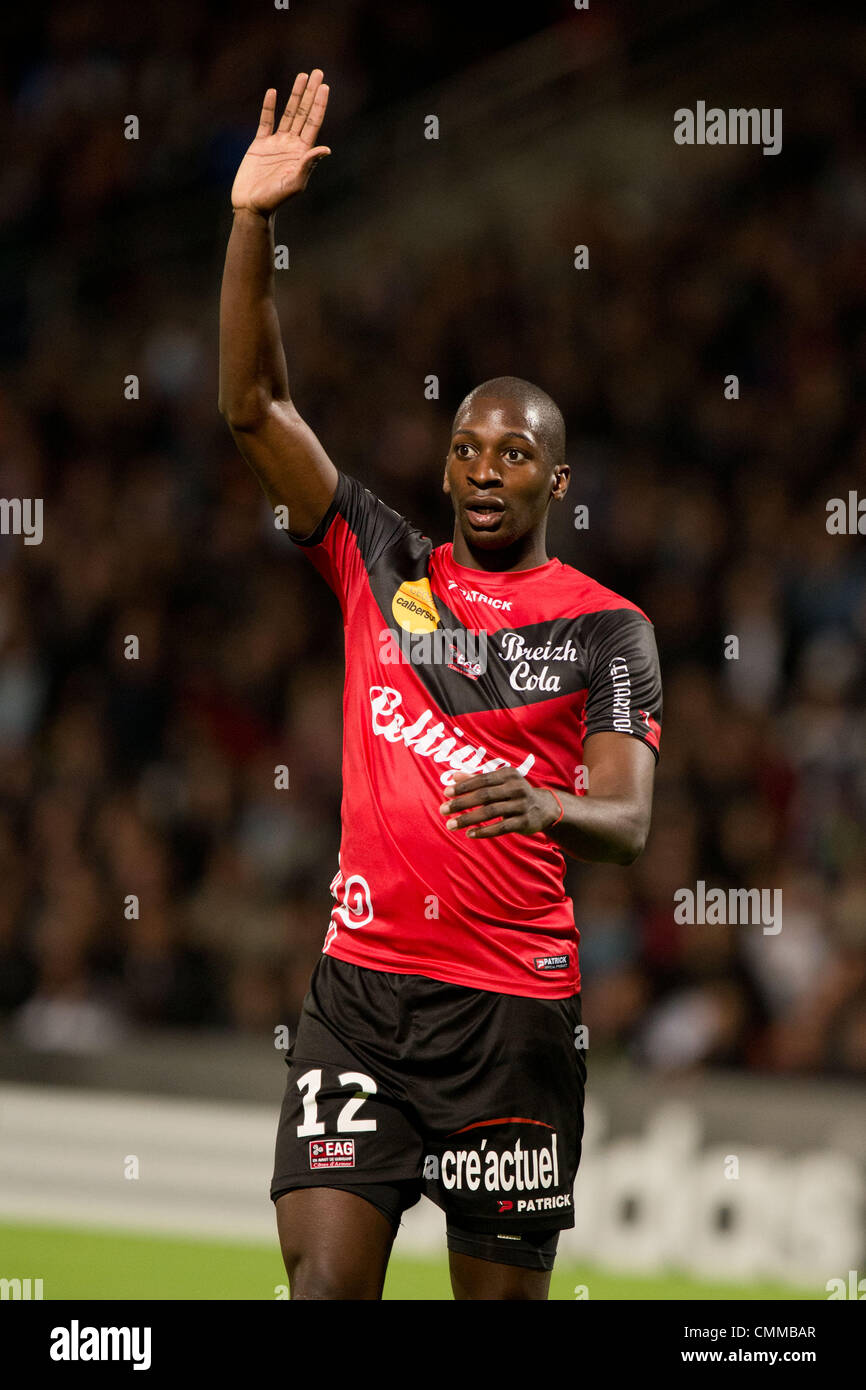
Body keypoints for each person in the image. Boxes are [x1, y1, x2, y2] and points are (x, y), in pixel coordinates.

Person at [219, 71, 662, 1301]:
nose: (480, 469)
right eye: (465, 446)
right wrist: (251, 220)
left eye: (512, 453)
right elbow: (250, 404)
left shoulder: (607, 629)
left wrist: (545, 805)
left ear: (553, 483)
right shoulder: (377, 559)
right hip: (358, 999)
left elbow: (625, 823)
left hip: (511, 1024)